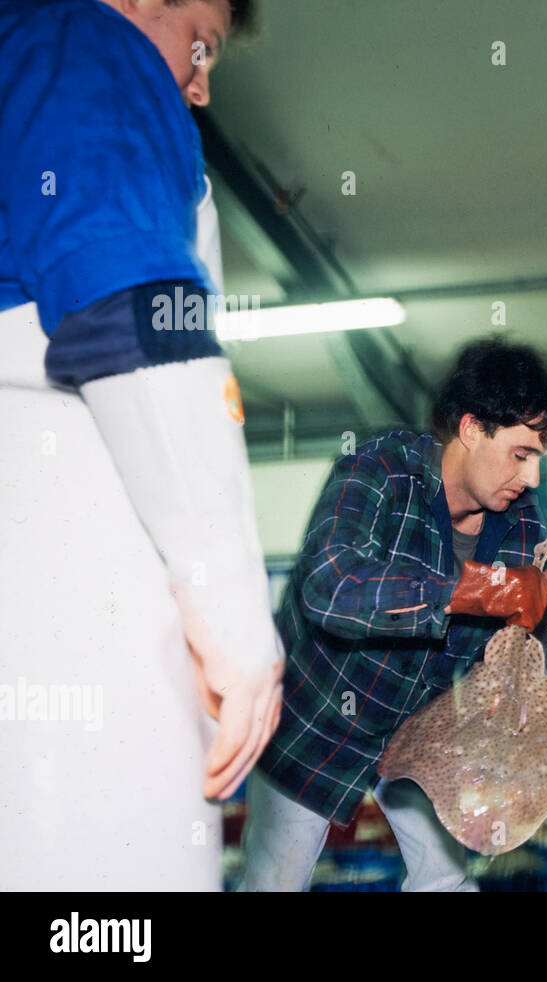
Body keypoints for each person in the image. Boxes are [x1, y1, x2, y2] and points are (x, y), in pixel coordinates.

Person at [0, 0, 282, 890]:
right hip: (68, 622)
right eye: (200, 42)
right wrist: (238, 625)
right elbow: (136, 320)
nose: (198, 87)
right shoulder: (81, 43)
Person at [240, 338, 547, 891]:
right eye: (521, 455)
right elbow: (331, 586)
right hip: (314, 721)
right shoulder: (377, 469)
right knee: (274, 881)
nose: (533, 478)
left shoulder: (520, 522)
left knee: (446, 881)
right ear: (471, 429)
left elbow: (544, 644)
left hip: (421, 732)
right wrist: (482, 588)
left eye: (539, 458)